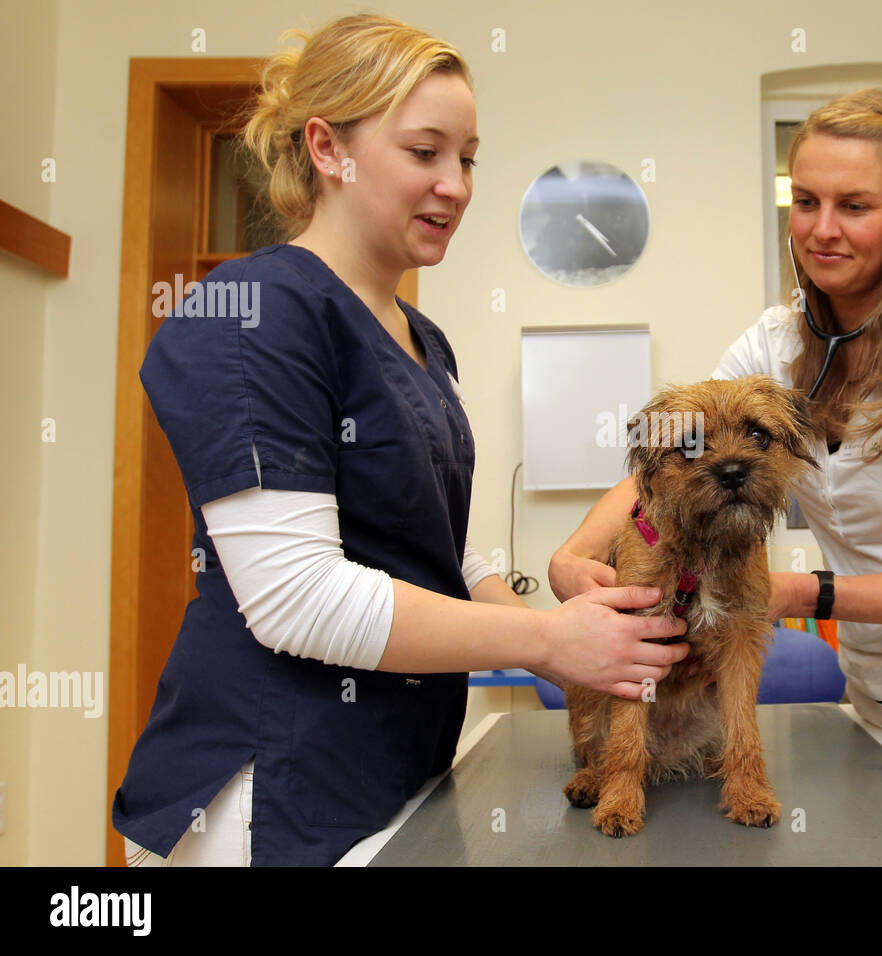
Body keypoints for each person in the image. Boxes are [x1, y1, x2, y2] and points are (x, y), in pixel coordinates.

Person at [112, 13, 688, 868]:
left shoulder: (420, 339)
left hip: (396, 772)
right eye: (425, 152)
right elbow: (296, 597)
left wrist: (570, 649)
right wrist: (543, 643)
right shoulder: (254, 314)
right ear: (326, 148)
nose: (455, 184)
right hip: (271, 792)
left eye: (468, 158)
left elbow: (441, 550)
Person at [549, 88, 882, 853]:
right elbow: (672, 453)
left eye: (854, 205)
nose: (822, 229)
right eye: (806, 201)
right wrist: (575, 556)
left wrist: (785, 593)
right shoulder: (775, 342)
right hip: (872, 691)